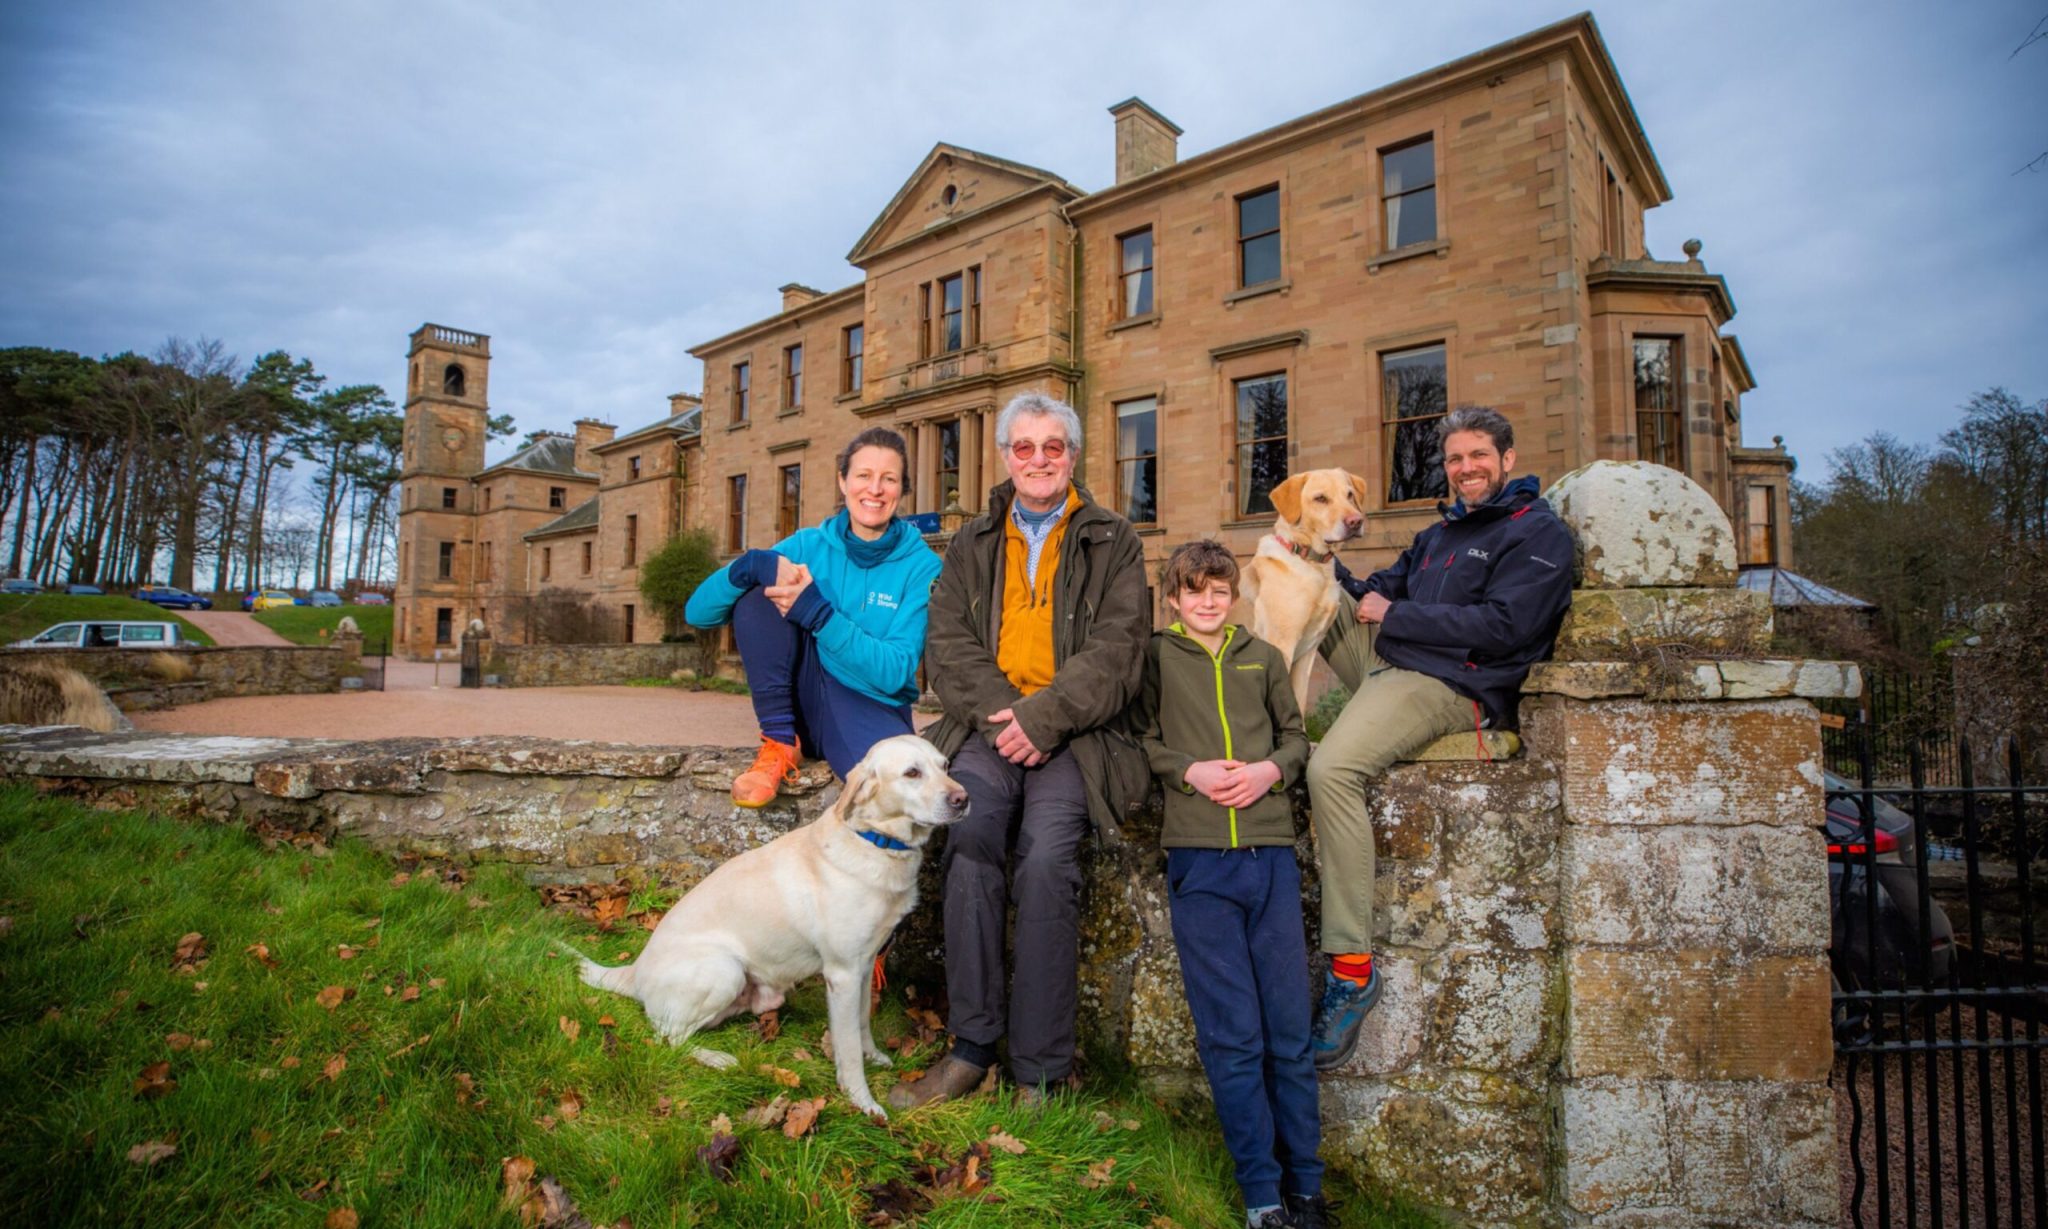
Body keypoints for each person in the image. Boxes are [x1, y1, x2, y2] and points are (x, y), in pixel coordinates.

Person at [885, 390, 1150, 1109]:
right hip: (991, 725)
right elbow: (947, 643)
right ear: (1006, 456)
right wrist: (1006, 714)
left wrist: (1044, 717)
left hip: (1078, 734)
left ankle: (1039, 1066)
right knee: (968, 835)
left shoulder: (1113, 537)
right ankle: (971, 1047)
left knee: (1047, 856)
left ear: (1072, 455)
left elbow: (1120, 648)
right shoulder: (971, 541)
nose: (1038, 459)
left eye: (1052, 447)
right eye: (1024, 447)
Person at [1305, 405, 1573, 1071]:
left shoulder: (1536, 533)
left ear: (1507, 458)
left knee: (1331, 769)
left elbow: (1507, 627)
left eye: (1478, 455)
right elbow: (1369, 592)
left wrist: (1399, 614)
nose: (1466, 469)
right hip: (1394, 656)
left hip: (1453, 683)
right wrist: (1309, 549)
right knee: (1307, 585)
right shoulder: (1438, 534)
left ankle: (1350, 966)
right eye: (1455, 459)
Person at [1137, 540, 1328, 1229]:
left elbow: (1295, 739)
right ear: (1173, 599)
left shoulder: (1264, 658)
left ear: (1234, 593)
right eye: (1194, 591)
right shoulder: (1157, 659)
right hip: (1200, 861)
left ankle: (1308, 1186)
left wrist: (1268, 772)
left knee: (1288, 1032)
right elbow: (1142, 740)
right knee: (1233, 1036)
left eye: (1219, 589)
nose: (1208, 601)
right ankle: (1261, 1194)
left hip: (1270, 856)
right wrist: (1188, 769)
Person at [683, 426, 940, 806]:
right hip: (799, 698)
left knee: (892, 802)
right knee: (757, 591)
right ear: (843, 481)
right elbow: (698, 613)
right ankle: (780, 742)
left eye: (889, 479)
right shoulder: (807, 545)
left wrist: (819, 614)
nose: (875, 489)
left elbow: (895, 671)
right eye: (863, 476)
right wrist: (749, 565)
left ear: (902, 489)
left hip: (870, 703)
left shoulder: (922, 566)